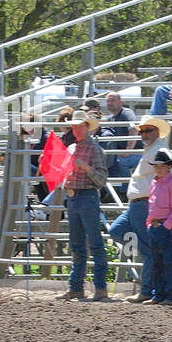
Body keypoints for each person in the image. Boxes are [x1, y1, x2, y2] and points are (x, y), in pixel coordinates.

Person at [109, 116, 169, 301]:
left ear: (157, 131)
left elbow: (165, 177)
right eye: (142, 131)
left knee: (143, 246)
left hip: (144, 203)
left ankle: (146, 290)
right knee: (116, 231)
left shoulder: (159, 150)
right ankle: (149, 281)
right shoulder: (153, 149)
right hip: (137, 204)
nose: (144, 134)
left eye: (148, 130)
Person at [58, 110, 112, 301]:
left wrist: (86, 168)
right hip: (74, 197)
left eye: (80, 126)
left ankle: (98, 287)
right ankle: (77, 288)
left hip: (88, 196)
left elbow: (102, 179)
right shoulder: (72, 147)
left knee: (94, 244)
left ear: (87, 127)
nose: (77, 129)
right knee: (77, 245)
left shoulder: (95, 149)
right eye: (74, 126)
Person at [140, 148, 172, 306]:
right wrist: (150, 223)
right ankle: (159, 295)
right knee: (157, 263)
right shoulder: (155, 182)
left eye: (161, 166)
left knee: (169, 263)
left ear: (169, 167)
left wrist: (166, 225)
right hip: (156, 226)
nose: (158, 169)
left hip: (165, 227)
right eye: (156, 166)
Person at [99, 91, 139, 178]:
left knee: (120, 162)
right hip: (118, 153)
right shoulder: (109, 119)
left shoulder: (127, 113)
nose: (109, 103)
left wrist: (128, 150)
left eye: (112, 100)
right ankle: (109, 189)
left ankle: (125, 190)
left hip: (136, 152)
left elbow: (134, 127)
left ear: (121, 102)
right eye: (108, 101)